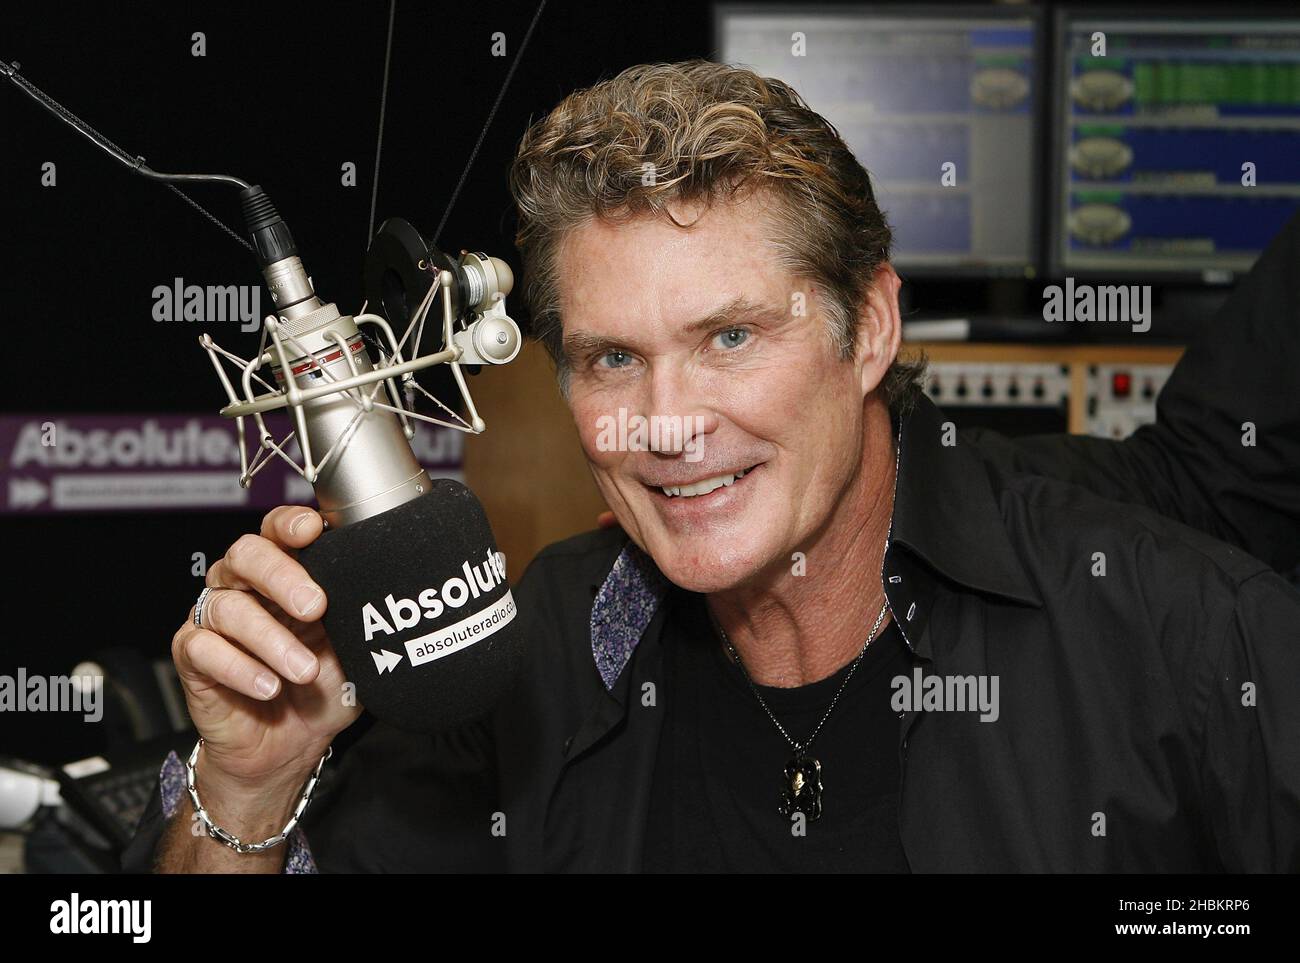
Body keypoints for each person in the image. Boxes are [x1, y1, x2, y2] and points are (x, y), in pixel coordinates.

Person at [126, 60, 1300, 873]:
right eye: (611, 359)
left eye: (730, 337)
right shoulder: (532, 655)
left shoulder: (1192, 640)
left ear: (871, 328)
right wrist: (247, 791)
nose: (664, 424)